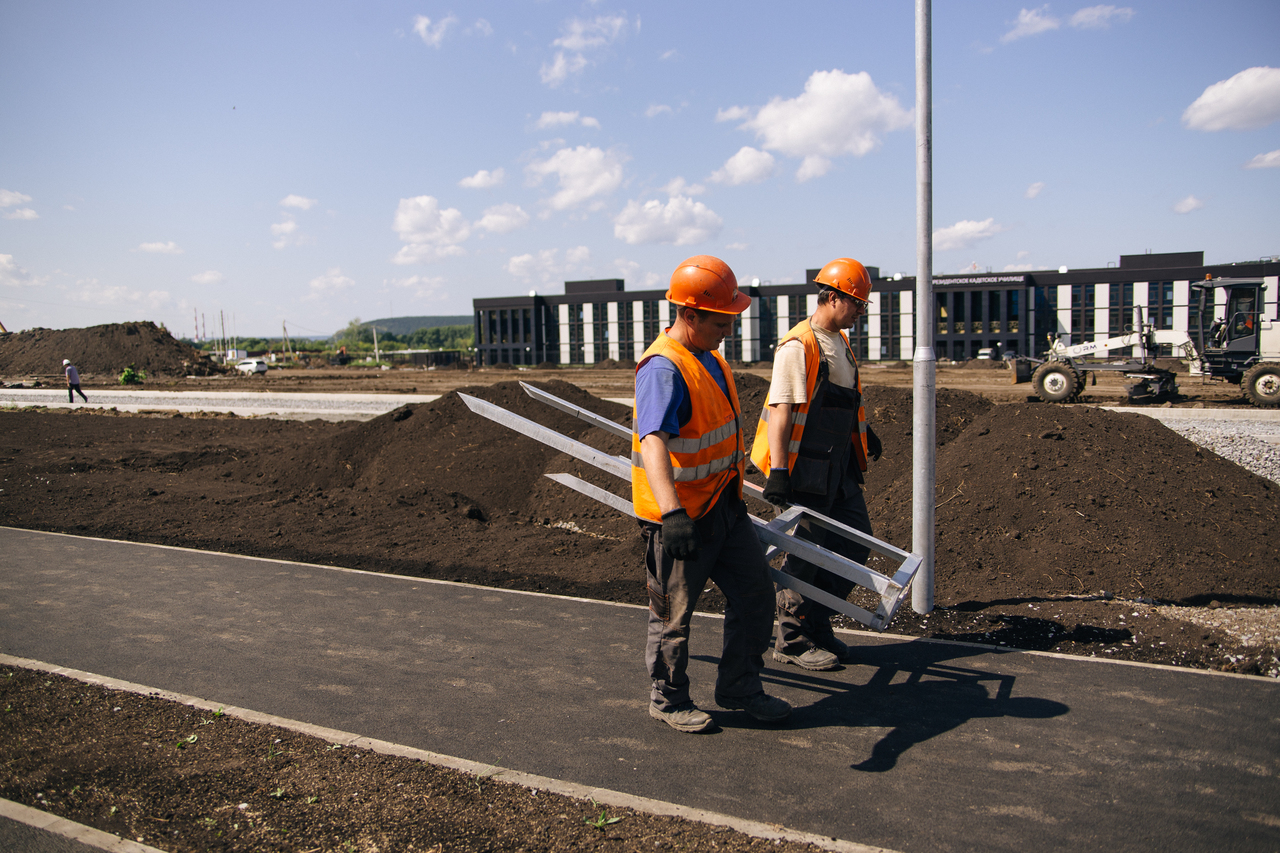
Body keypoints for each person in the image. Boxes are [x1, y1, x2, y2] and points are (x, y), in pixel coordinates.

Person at [633, 254, 791, 733]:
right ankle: (668, 697)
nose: (729, 328)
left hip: (722, 505)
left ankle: (739, 685)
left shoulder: (709, 357)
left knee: (756, 594)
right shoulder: (663, 368)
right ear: (690, 314)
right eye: (722, 319)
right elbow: (653, 440)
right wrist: (672, 513)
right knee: (674, 614)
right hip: (683, 517)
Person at [750, 258, 883, 672]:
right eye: (857, 303)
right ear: (832, 297)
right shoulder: (798, 345)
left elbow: (844, 402)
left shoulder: (839, 342)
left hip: (837, 469)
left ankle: (817, 622)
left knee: (856, 544)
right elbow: (781, 411)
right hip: (803, 470)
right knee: (804, 555)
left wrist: (866, 432)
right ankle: (791, 640)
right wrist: (780, 471)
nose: (861, 311)